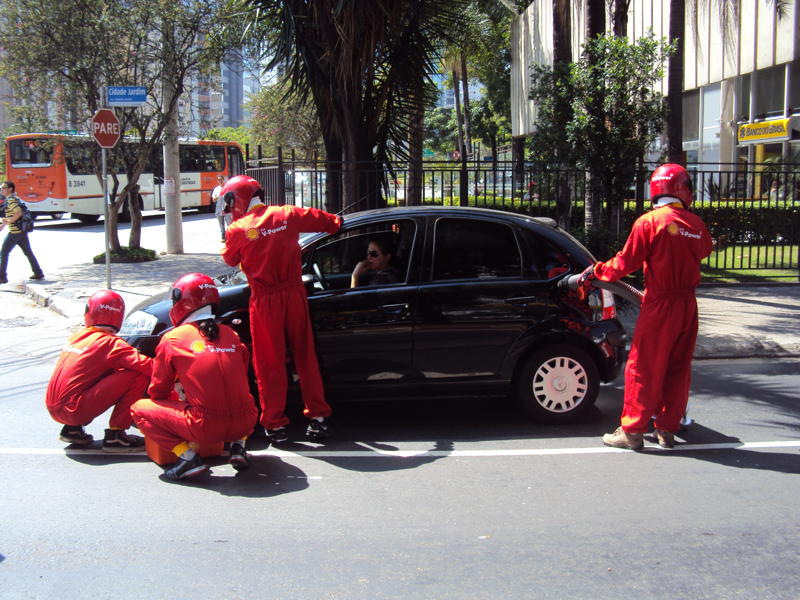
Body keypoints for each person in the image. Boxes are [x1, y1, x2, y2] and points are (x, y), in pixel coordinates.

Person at [586, 163, 713, 450]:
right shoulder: (696, 224)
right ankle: (667, 429)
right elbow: (704, 250)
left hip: (660, 303)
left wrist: (598, 271)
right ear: (683, 190)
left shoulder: (649, 222)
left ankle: (632, 431)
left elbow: (625, 261)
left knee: (644, 366)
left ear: (656, 189)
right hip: (687, 305)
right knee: (678, 367)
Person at [220, 175, 342, 443]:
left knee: (268, 363)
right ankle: (318, 418)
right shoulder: (287, 213)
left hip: (264, 301)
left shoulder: (238, 229)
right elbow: (330, 223)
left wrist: (234, 226)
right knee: (305, 356)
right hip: (294, 293)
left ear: (237, 200)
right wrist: (337, 220)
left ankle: (275, 424)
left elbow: (229, 259)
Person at [131, 273, 257, 481]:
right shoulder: (231, 333)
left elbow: (158, 391)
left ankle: (187, 457)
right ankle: (238, 446)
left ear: (182, 301)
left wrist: (183, 393)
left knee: (139, 409)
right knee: (243, 397)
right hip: (246, 422)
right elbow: (239, 375)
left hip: (204, 426)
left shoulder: (173, 338)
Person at [45, 290, 151, 451]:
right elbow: (149, 366)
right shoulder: (110, 343)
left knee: (102, 373)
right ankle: (116, 436)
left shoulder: (77, 337)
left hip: (54, 408)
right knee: (137, 375)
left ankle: (72, 429)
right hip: (74, 409)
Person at [0, 181, 45, 284]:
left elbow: (18, 212)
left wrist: (8, 221)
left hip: (15, 232)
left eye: (3, 188)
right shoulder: (13, 199)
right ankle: (38, 272)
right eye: (1, 188)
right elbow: (13, 214)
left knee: (4, 253)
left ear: (10, 189)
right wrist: (3, 224)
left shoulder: (11, 200)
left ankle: (2, 276)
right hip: (21, 231)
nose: (2, 190)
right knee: (28, 252)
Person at [212, 175, 229, 242]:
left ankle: (230, 236)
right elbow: (213, 199)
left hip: (226, 208)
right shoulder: (216, 189)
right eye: (219, 180)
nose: (220, 181)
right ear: (217, 181)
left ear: (223, 180)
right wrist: (219, 196)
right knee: (221, 224)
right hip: (219, 208)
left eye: (221, 179)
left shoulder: (227, 188)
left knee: (229, 223)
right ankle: (223, 237)